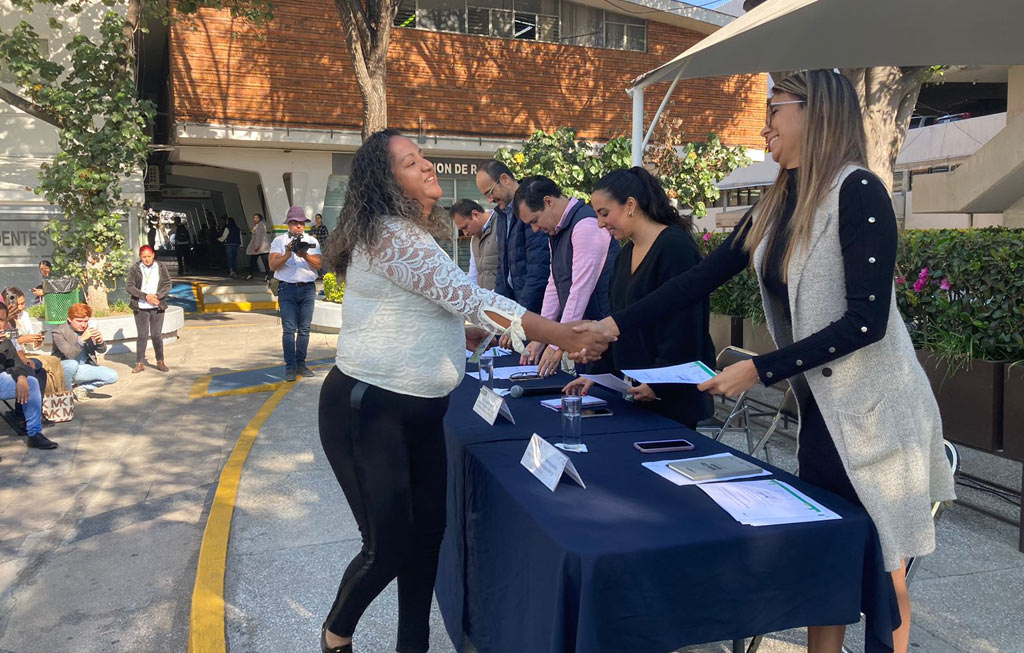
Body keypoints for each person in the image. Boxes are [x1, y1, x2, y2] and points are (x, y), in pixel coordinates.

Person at [573, 70, 955, 653]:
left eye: (774, 110)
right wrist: (613, 325)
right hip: (823, 411)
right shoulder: (776, 202)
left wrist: (760, 369)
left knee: (884, 565)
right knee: (824, 554)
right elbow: (702, 276)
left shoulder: (858, 191)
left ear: (815, 111)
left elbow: (866, 321)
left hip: (877, 414)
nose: (765, 125)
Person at [317, 129, 609, 653]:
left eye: (422, 156)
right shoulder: (392, 235)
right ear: (386, 182)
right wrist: (563, 335)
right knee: (388, 545)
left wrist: (459, 334)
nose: (427, 166)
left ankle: (414, 645)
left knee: (428, 537)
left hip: (420, 410)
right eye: (410, 162)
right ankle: (336, 636)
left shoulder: (409, 233)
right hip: (370, 408)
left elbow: (433, 305)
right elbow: (473, 299)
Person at [562, 168, 715, 428]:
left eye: (604, 213)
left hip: (674, 396)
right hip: (638, 391)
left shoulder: (675, 248)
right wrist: (596, 374)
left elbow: (685, 326)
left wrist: (659, 384)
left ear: (631, 205)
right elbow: (618, 321)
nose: (600, 223)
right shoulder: (625, 255)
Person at [514, 175, 620, 375]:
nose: (535, 229)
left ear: (548, 202)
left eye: (535, 221)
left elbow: (580, 289)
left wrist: (556, 342)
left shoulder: (585, 225)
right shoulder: (556, 231)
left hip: (602, 333)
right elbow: (554, 283)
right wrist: (542, 336)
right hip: (583, 333)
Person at [475, 160, 550, 313]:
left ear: (505, 179)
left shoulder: (531, 204)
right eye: (485, 196)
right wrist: (500, 311)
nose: (490, 200)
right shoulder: (502, 215)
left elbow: (538, 269)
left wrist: (520, 316)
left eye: (490, 192)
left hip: (535, 309)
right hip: (516, 306)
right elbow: (503, 269)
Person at [269, 206, 322, 382]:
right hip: (287, 289)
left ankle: (301, 364)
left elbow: (319, 264)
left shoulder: (311, 241)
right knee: (289, 330)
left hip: (307, 289)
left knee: (305, 329)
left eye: (302, 223)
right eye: (295, 223)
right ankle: (290, 367)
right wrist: (288, 253)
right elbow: (273, 265)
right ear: (288, 224)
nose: (299, 226)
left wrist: (304, 254)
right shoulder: (279, 241)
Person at [0, 302, 57, 449]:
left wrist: (21, 377)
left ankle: (34, 434)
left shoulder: (5, 341)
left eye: (1, 320)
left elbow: (15, 362)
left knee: (31, 381)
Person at [52, 303, 119, 402]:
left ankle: (80, 389)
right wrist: (82, 339)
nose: (83, 325)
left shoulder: (88, 329)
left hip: (83, 368)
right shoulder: (58, 333)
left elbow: (102, 350)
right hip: (65, 369)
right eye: (79, 321)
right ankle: (66, 395)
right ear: (69, 319)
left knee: (113, 376)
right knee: (72, 364)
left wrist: (100, 341)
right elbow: (70, 355)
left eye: (86, 321)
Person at [125, 245, 173, 373]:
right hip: (141, 306)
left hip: (157, 305)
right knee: (142, 335)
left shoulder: (161, 267)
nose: (147, 259)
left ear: (153, 255)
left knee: (156, 335)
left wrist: (157, 296)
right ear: (140, 257)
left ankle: (160, 361)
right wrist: (145, 296)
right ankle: (139, 363)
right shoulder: (135, 268)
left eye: (149, 256)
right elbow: (129, 286)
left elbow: (168, 284)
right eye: (144, 257)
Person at [450, 199, 498, 290]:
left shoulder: (501, 224)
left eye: (465, 227)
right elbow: (473, 275)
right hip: (485, 296)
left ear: (475, 214)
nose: (465, 234)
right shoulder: (474, 239)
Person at [245, 213, 272, 281]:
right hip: (261, 247)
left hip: (260, 247)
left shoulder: (260, 225)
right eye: (254, 218)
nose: (254, 219)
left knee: (258, 261)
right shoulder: (259, 225)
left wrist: (257, 246)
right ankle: (266, 275)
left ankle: (252, 274)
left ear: (260, 218)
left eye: (256, 218)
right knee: (261, 261)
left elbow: (259, 237)